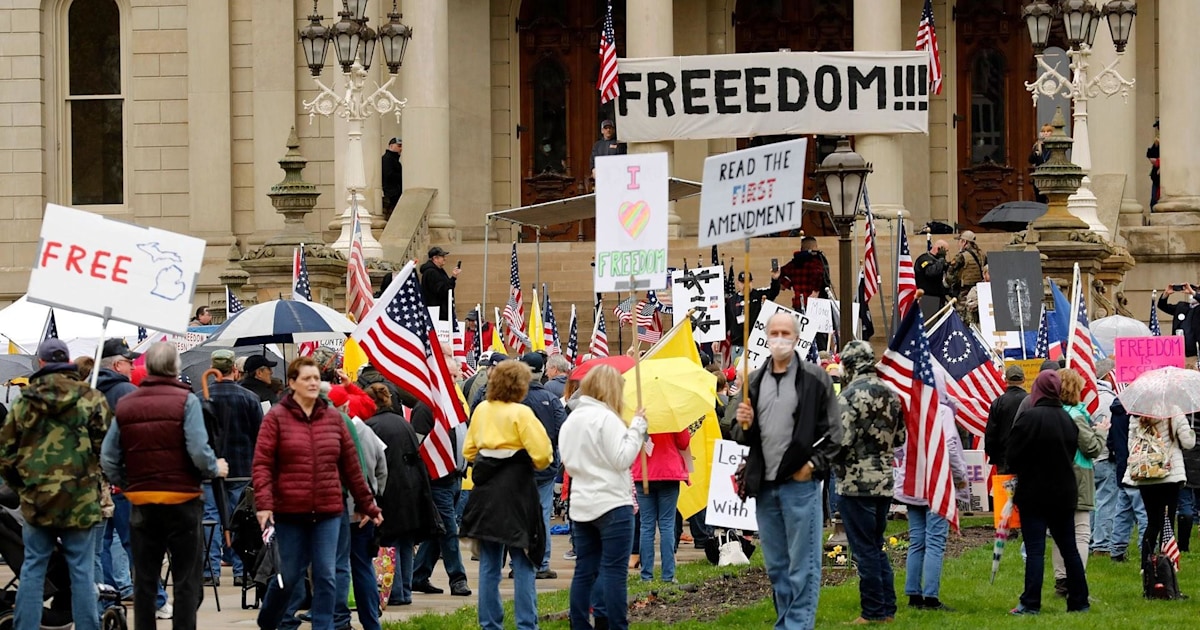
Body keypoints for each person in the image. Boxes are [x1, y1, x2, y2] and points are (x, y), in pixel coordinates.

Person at [100, 342, 229, 630]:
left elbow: (109, 457)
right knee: (186, 579)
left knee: (145, 579)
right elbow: (198, 449)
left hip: (142, 500)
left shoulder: (127, 403)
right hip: (182, 499)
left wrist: (127, 483)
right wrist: (213, 467)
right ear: (175, 367)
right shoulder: (186, 401)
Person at [252, 356, 382, 630]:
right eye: (306, 378)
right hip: (290, 512)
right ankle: (268, 620)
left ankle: (323, 627)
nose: (313, 383)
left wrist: (367, 504)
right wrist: (264, 504)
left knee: (326, 575)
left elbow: (351, 467)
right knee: (289, 576)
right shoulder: (276, 418)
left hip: (328, 511)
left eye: (315, 378)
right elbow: (262, 463)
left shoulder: (333, 419)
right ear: (291, 383)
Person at [731, 312, 842, 629]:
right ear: (767, 336)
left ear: (795, 338)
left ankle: (796, 625)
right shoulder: (753, 382)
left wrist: (811, 466)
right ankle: (786, 622)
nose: (779, 337)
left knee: (803, 565)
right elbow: (741, 436)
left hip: (799, 486)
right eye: (774, 332)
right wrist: (743, 423)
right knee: (777, 566)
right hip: (765, 488)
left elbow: (835, 435)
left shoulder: (815, 379)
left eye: (785, 332)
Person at [0, 338, 110, 630]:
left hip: (38, 499)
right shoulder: (91, 398)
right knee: (82, 572)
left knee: (34, 568)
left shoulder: (23, 402)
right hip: (81, 498)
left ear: (41, 363)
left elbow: (6, 454)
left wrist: (22, 488)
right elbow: (106, 449)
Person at [460, 360, 552, 630]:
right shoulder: (521, 414)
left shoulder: (481, 411)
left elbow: (469, 452)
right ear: (520, 385)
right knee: (523, 560)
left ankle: (489, 624)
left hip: (486, 492)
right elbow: (543, 455)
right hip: (517, 492)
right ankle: (526, 624)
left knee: (489, 563)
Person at [559, 364, 647, 630]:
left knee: (585, 570)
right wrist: (637, 429)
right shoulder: (607, 419)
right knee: (614, 572)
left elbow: (567, 460)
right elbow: (622, 458)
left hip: (582, 503)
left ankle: (579, 623)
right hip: (611, 502)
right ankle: (616, 625)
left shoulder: (571, 419)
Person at [1006, 371, 1089, 615]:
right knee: (1069, 548)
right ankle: (1079, 601)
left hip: (1033, 494)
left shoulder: (1028, 419)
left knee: (1035, 550)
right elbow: (1074, 450)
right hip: (1064, 493)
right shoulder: (1068, 419)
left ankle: (1031, 603)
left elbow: (1012, 458)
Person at [832, 341, 903, 623]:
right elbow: (900, 439)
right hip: (884, 480)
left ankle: (873, 611)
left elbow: (840, 441)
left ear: (849, 365)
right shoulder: (892, 394)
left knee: (864, 550)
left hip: (855, 482)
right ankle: (887, 609)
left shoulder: (848, 396)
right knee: (876, 544)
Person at [895, 369, 967, 613]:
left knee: (917, 540)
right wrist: (960, 478)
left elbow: (897, 447)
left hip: (912, 482)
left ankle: (913, 593)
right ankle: (931, 597)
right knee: (935, 541)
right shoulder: (943, 411)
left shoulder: (908, 410)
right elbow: (951, 445)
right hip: (935, 482)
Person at [363, 384, 439, 608]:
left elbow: (373, 463)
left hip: (390, 490)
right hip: (412, 489)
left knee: (389, 542)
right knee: (405, 543)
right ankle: (404, 590)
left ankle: (394, 591)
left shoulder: (372, 426)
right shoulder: (403, 423)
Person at [199, 349, 264, 589]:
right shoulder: (249, 398)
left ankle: (210, 571)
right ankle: (242, 571)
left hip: (209, 469)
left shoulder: (199, 398)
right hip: (242, 468)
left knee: (210, 519)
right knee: (243, 520)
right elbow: (260, 436)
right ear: (235, 370)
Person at [327, 381, 387, 630]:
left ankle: (340, 619)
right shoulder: (366, 432)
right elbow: (382, 469)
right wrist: (373, 500)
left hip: (335, 510)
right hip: (362, 510)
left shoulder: (327, 430)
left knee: (336, 567)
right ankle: (371, 621)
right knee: (362, 567)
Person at [1049, 369, 1104, 598]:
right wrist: (1100, 433)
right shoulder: (1076, 415)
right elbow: (1091, 448)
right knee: (1081, 531)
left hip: (1054, 474)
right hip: (1078, 474)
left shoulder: (1050, 413)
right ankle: (1076, 581)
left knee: (1059, 532)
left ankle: (1061, 580)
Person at [409, 399, 472, 597]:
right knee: (449, 531)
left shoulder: (455, 405)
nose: (453, 379)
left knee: (438, 530)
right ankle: (458, 578)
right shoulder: (425, 408)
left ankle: (418, 576)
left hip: (456, 478)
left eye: (454, 375)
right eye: (451, 375)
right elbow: (417, 445)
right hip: (437, 481)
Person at [1123, 408, 1196, 569]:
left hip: (1146, 475)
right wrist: (1189, 431)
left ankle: (1146, 566)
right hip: (1169, 474)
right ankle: (1166, 569)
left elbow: (1131, 445)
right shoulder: (1174, 410)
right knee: (1167, 522)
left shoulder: (1137, 414)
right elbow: (1188, 443)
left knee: (1152, 522)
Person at [516, 352, 567, 579]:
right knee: (543, 514)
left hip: (520, 466)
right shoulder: (551, 399)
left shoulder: (516, 400)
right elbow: (561, 429)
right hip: (545, 464)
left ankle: (521, 560)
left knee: (519, 513)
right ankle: (541, 561)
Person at [632, 414, 690, 584]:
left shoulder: (637, 415)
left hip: (644, 472)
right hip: (669, 472)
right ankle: (668, 575)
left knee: (646, 525)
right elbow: (684, 442)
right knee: (667, 525)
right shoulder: (672, 413)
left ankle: (646, 575)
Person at [1107, 395, 1149, 562]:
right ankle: (1146, 549)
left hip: (1122, 466)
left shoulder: (1116, 411)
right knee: (1144, 511)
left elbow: (1110, 441)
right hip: (1139, 467)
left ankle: (1117, 549)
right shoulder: (1140, 414)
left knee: (1123, 510)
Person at [1089, 359, 1119, 557]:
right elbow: (1111, 431)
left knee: (1092, 502)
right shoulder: (1109, 400)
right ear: (1109, 375)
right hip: (1105, 455)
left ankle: (1091, 539)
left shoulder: (1087, 398)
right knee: (1106, 502)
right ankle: (1101, 544)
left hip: (1088, 456)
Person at [726, 269, 782, 357]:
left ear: (752, 282)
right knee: (737, 370)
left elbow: (773, 292)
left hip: (754, 345)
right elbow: (726, 322)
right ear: (738, 283)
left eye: (748, 282)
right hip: (738, 345)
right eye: (743, 282)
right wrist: (717, 340)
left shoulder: (758, 295)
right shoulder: (732, 301)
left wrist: (775, 279)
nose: (746, 285)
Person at [985, 365, 1028, 475]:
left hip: (1004, 460)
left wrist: (995, 457)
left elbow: (990, 434)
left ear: (1005, 380)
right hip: (1027, 460)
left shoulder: (998, 403)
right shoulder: (1032, 401)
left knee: (1005, 492)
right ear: (1023, 379)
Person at [778, 236, 832, 311]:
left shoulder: (794, 263)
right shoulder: (817, 261)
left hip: (798, 303)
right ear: (815, 246)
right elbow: (820, 274)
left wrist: (787, 283)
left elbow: (780, 273)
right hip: (816, 304)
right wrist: (816, 290)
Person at [944, 231, 985, 324]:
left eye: (959, 241)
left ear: (964, 242)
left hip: (963, 292)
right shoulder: (981, 254)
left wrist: (947, 285)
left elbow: (951, 273)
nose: (958, 243)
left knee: (961, 317)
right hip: (977, 291)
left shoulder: (961, 256)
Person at [1157, 284, 1200, 357]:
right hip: (1180, 351)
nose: (1194, 292)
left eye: (1198, 290)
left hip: (1196, 352)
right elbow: (1162, 306)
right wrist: (1166, 294)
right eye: (1195, 289)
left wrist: (1193, 293)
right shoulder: (1182, 306)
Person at [420, 246, 459, 322]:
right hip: (438, 315)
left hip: (440, 313)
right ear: (435, 258)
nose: (445, 258)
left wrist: (453, 278)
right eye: (442, 256)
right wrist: (453, 279)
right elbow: (443, 290)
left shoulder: (437, 271)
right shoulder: (432, 272)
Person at [1028, 123, 1053, 203]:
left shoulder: (1054, 146)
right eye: (1043, 131)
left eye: (1048, 131)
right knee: (1040, 200)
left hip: (1050, 177)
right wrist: (1035, 153)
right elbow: (1031, 160)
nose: (1045, 133)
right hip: (1039, 178)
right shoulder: (1037, 146)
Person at [382, 137, 403, 219]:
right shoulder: (388, 159)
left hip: (393, 194)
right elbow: (389, 175)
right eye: (399, 146)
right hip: (392, 195)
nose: (401, 148)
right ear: (391, 146)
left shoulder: (393, 160)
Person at [1148, 120, 1160, 209]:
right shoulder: (1157, 142)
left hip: (1161, 175)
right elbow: (1150, 156)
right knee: (1153, 201)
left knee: (1155, 201)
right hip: (1156, 176)